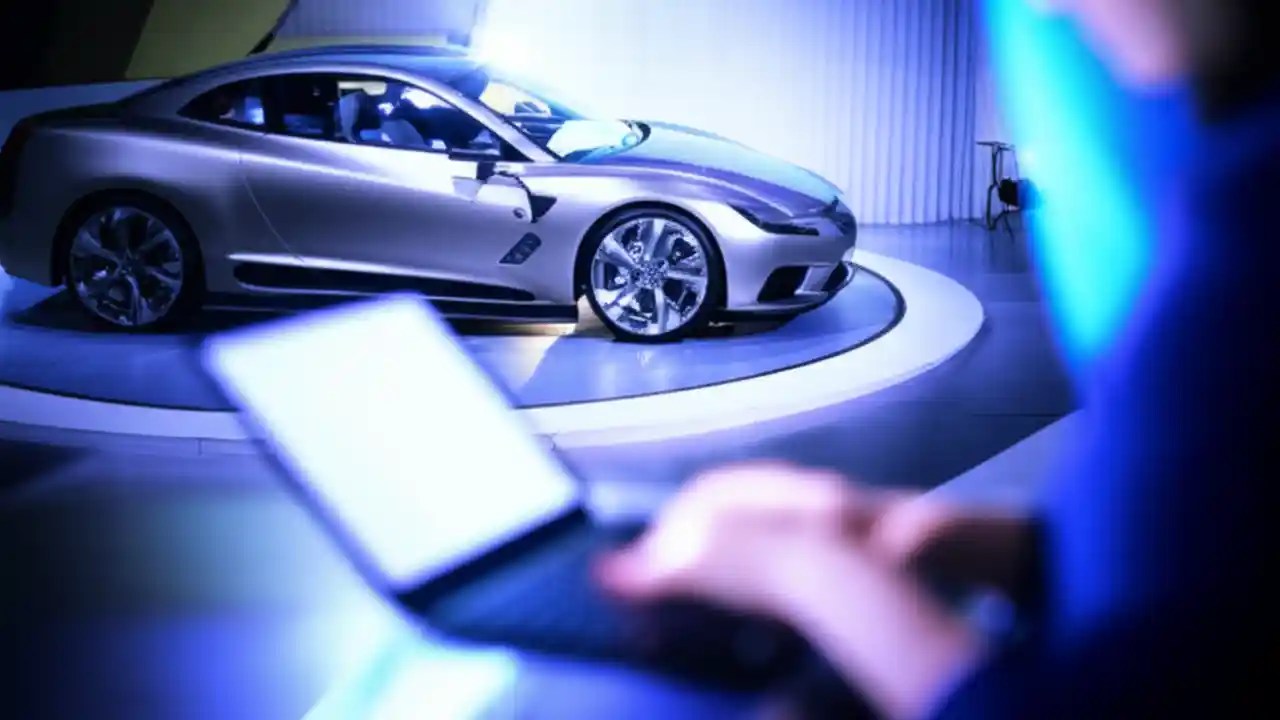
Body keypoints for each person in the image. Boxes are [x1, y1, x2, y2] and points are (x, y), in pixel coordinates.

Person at [596, 1, 1279, 717]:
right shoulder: (1239, 189)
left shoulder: (1252, 247)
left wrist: (804, 570)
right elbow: (1218, 585)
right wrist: (952, 541)